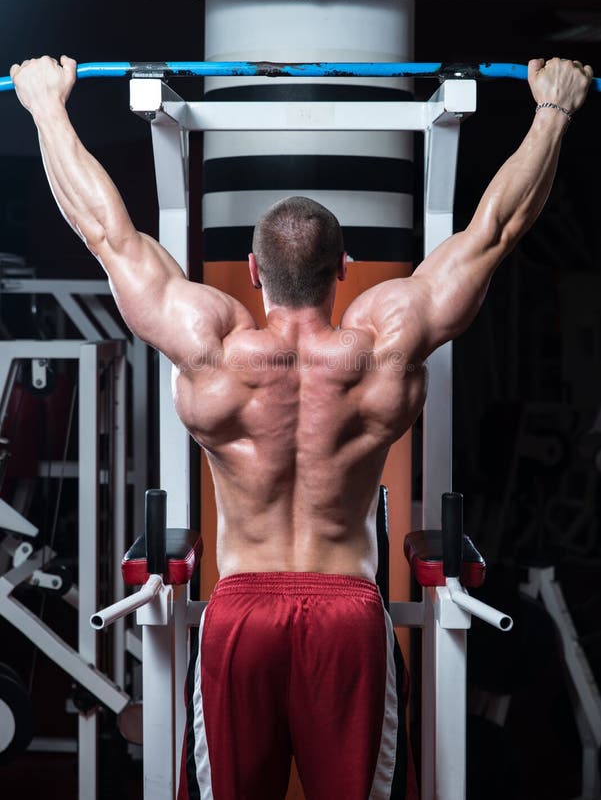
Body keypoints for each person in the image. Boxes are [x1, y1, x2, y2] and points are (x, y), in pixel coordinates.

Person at [10, 54, 592, 800]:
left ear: (250, 269)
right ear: (344, 265)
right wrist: (553, 112)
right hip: (347, 614)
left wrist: (46, 107)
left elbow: (106, 234)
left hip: (239, 613)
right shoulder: (382, 347)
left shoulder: (210, 348)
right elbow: (495, 232)